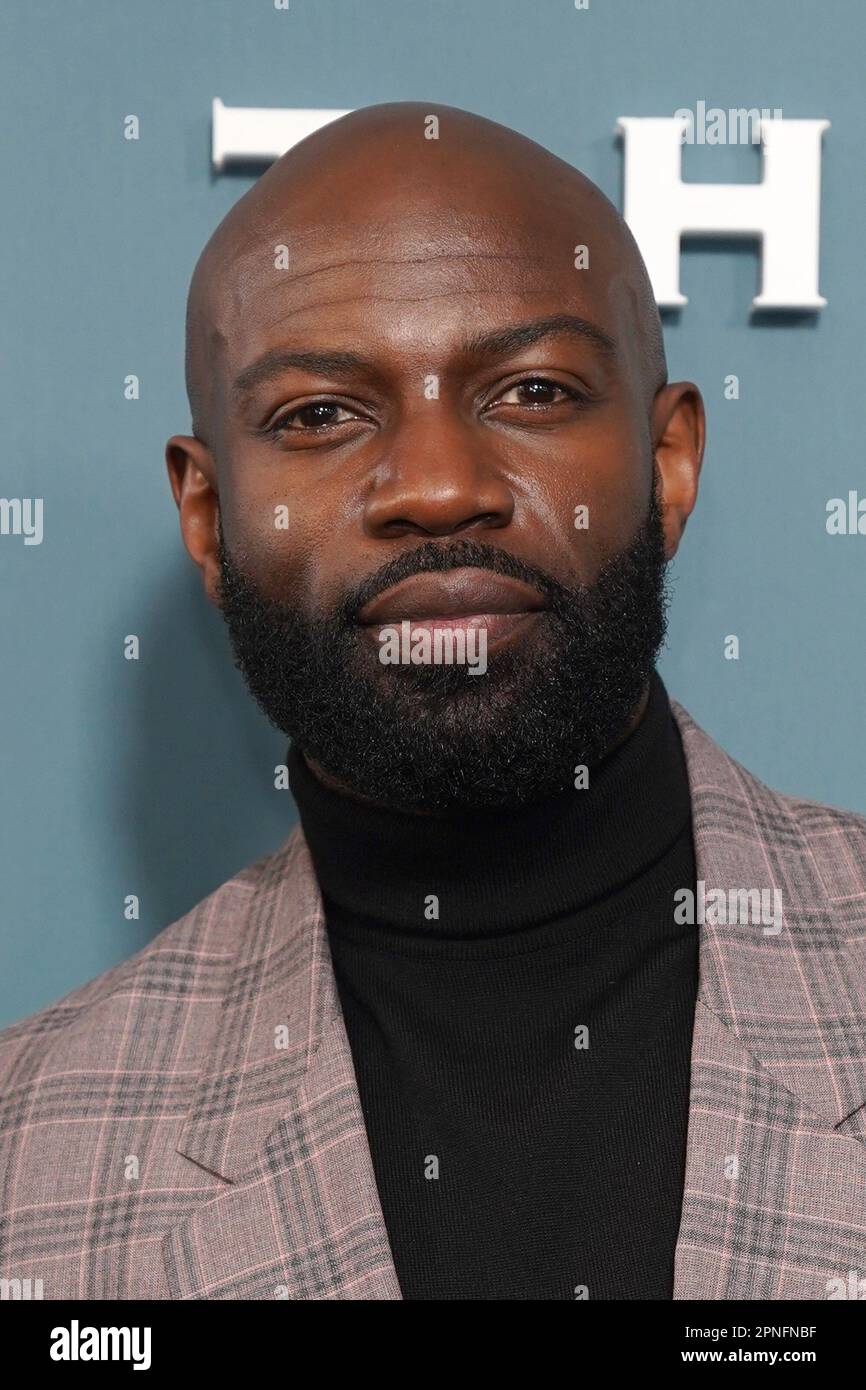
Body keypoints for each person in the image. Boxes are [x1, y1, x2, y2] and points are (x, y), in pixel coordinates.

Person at [1, 102, 864, 1301]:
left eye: (531, 391)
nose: (439, 487)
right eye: (319, 414)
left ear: (666, 466)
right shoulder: (29, 1153)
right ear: (207, 515)